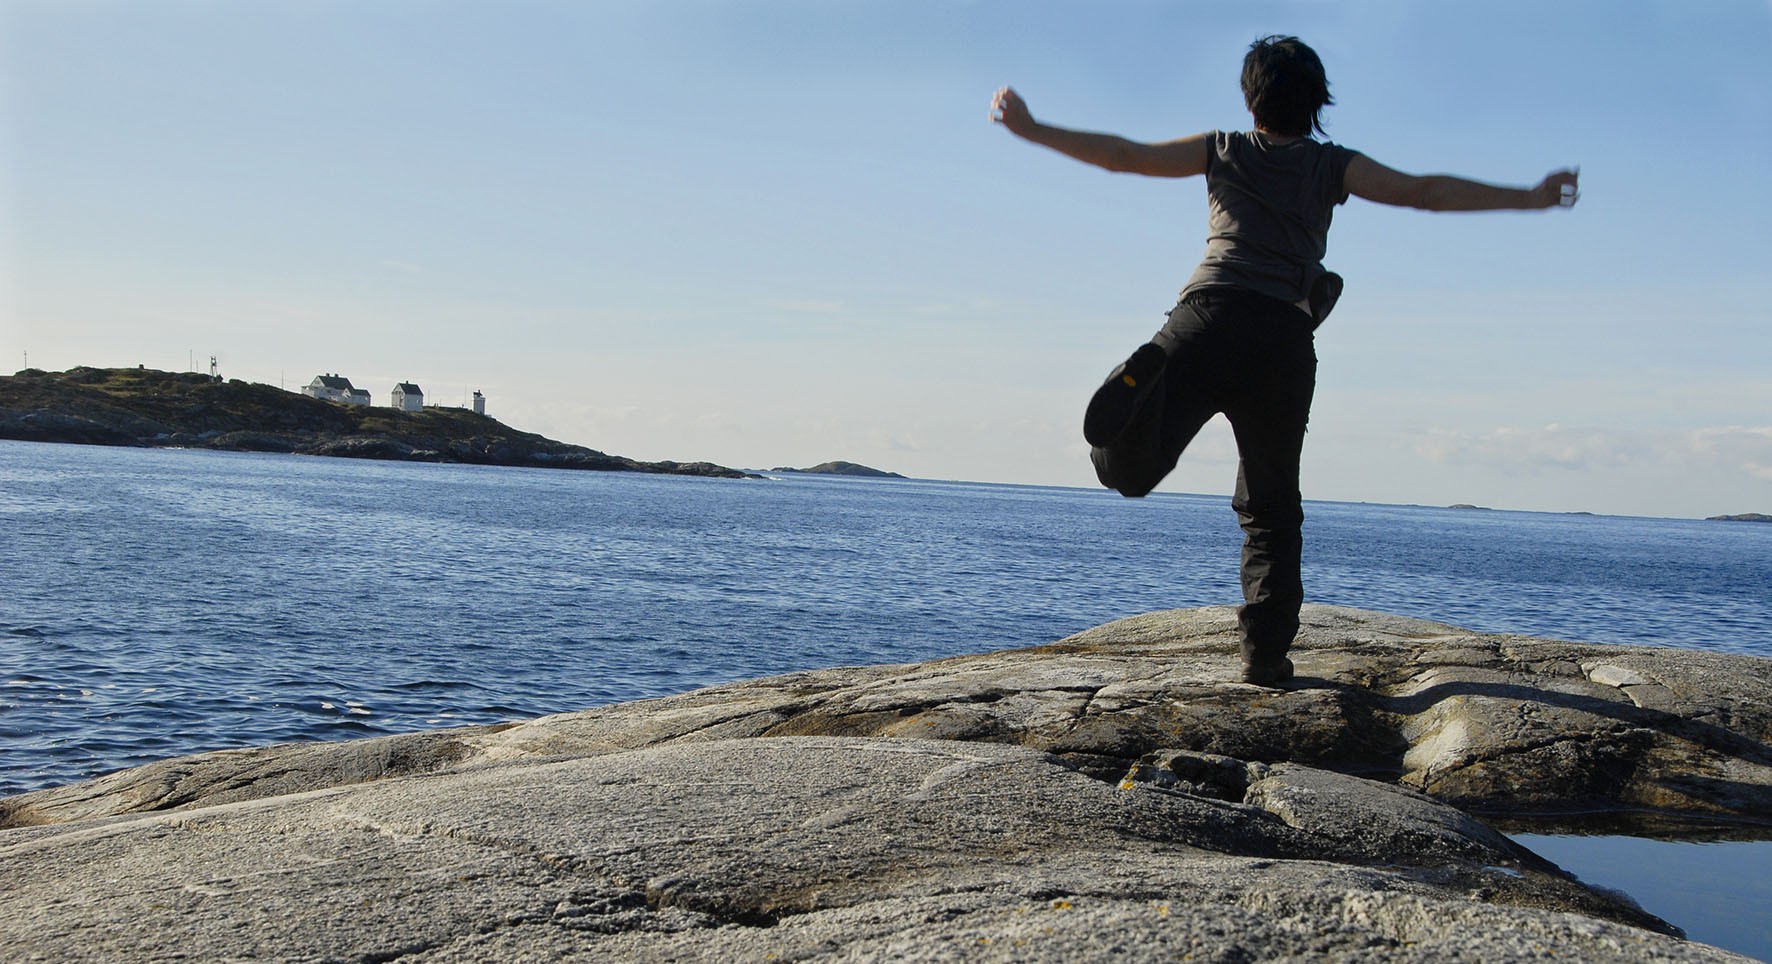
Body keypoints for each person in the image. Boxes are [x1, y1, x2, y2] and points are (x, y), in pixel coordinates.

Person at [990, 35, 1578, 686]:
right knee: (1272, 506)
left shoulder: (1223, 149)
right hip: (1283, 340)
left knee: (1125, 472)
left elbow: (1124, 157)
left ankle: (1138, 388)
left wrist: (1033, 128)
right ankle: (1265, 656)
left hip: (1207, 318)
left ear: (1251, 99)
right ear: (1317, 102)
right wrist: (1532, 196)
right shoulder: (1332, 166)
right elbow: (1423, 193)